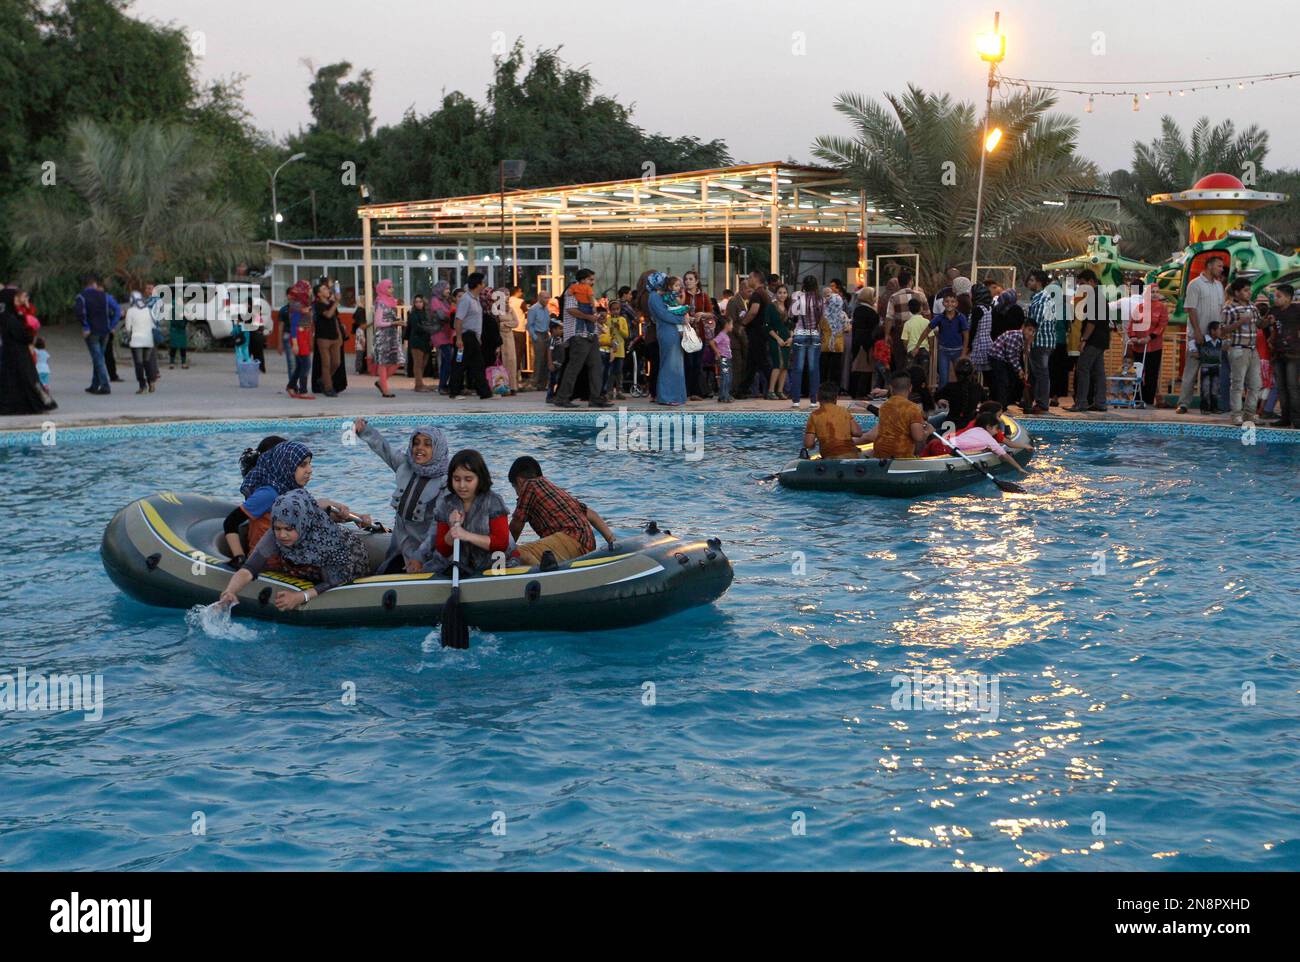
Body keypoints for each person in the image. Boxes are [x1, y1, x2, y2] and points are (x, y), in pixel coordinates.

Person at [218, 489, 373, 613]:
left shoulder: (326, 540)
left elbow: (335, 580)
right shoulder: (275, 534)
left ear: (301, 525)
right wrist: (230, 591)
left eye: (289, 529)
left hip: (346, 562)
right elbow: (249, 568)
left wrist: (300, 596)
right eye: (278, 528)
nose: (282, 535)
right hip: (307, 564)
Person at [221, 439, 361, 564]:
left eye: (309, 464)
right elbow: (231, 522)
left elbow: (317, 514)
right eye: (302, 464)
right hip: (269, 562)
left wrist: (356, 518)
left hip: (288, 556)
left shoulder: (292, 490)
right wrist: (239, 558)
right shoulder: (268, 494)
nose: (310, 470)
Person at [354, 418, 449, 573]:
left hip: (428, 553)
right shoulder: (405, 465)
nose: (419, 448)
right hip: (400, 547)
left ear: (438, 448)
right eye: (416, 442)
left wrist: (420, 556)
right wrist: (365, 430)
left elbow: (437, 527)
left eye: (427, 444)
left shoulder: (445, 482)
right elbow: (384, 449)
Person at [507, 456, 615, 566]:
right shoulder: (554, 490)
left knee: (516, 554)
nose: (517, 494)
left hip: (569, 539)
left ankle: (547, 579)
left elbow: (516, 527)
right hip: (587, 544)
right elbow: (592, 515)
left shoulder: (529, 486)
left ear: (519, 481)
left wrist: (502, 550)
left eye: (514, 488)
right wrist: (612, 541)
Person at [418, 449, 511, 575]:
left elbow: (501, 544)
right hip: (461, 567)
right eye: (456, 479)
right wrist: (452, 530)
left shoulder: (493, 501)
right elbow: (443, 550)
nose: (462, 485)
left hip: (496, 565)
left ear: (480, 478)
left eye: (468, 479)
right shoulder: (446, 504)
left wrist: (466, 535)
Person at [1176, 256, 1227, 413]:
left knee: (1213, 372)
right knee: (1191, 370)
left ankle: (1211, 405)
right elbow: (1191, 309)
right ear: (1209, 266)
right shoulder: (1195, 284)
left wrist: (1220, 333)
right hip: (1197, 336)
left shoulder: (1219, 286)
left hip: (1214, 338)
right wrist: (1198, 332)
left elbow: (1221, 310)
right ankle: (1183, 403)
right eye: (1219, 266)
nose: (1222, 269)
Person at [554, 269, 611, 409]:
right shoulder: (572, 291)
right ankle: (562, 398)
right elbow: (570, 310)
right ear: (583, 280)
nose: (593, 282)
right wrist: (589, 317)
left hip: (591, 334)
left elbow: (592, 312)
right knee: (574, 367)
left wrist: (598, 318)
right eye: (590, 279)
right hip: (578, 334)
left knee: (596, 367)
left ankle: (595, 398)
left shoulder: (588, 293)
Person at [0, 289, 57, 414]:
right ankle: (39, 403)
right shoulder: (9, 318)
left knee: (17, 380)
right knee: (29, 379)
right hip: (17, 353)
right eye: (15, 299)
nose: (17, 301)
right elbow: (21, 335)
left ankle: (23, 405)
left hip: (14, 353)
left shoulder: (11, 315)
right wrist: (33, 340)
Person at [922, 409, 1030, 474]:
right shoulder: (989, 439)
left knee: (920, 460)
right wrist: (1019, 468)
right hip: (946, 449)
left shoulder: (974, 429)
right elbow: (1005, 456)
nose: (997, 431)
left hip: (936, 442)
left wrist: (984, 449)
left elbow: (968, 443)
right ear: (988, 427)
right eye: (996, 429)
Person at [1065, 270, 1110, 413]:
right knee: (1098, 371)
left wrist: (1084, 339)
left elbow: (1092, 322)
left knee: (1082, 368)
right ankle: (1100, 402)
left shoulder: (1094, 298)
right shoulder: (1099, 296)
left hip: (1094, 340)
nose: (1080, 288)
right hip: (1101, 340)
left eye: (1082, 284)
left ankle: (1081, 403)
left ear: (1092, 282)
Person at [859, 372, 933, 459]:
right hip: (902, 456)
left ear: (890, 388)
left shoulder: (884, 406)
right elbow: (918, 437)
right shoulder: (913, 409)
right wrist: (928, 431)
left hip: (880, 455)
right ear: (910, 388)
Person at [1220, 277, 1263, 425]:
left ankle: (1249, 414)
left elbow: (1258, 324)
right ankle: (1236, 415)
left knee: (1255, 384)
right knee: (1237, 384)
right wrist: (1240, 322)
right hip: (1238, 349)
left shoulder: (1253, 307)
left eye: (1249, 290)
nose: (1249, 292)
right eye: (1245, 290)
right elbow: (1222, 330)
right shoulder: (1229, 307)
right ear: (1237, 292)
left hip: (1252, 350)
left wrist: (1266, 321)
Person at [642, 272, 688, 406]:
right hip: (667, 331)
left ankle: (675, 395)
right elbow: (663, 315)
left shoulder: (658, 296)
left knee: (675, 363)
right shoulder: (654, 297)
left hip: (670, 331)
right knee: (670, 364)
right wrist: (681, 319)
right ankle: (667, 396)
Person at [1126, 288, 1169, 407]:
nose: (1155, 294)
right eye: (1152, 292)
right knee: (1137, 372)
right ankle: (1136, 398)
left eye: (1157, 292)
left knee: (1152, 373)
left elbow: (1162, 326)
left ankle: (1148, 400)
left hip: (1154, 346)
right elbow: (1131, 325)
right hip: (1138, 346)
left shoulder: (1162, 307)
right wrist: (1133, 336)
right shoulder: (1139, 307)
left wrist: (1149, 338)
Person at [75, 274, 116, 394]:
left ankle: (105, 385)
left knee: (98, 358)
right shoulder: (105, 296)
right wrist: (112, 325)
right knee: (99, 357)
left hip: (92, 331)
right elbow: (117, 310)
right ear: (94, 284)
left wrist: (85, 326)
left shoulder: (81, 297)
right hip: (105, 331)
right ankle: (95, 384)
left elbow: (79, 312)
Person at [803, 381, 867, 458]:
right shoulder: (844, 411)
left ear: (817, 397)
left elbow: (809, 444)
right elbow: (858, 433)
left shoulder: (815, 415)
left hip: (830, 458)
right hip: (852, 455)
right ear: (836, 398)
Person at [1025, 269, 1058, 413]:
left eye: (1031, 280)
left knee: (1041, 374)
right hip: (1046, 341)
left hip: (1040, 342)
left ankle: (1042, 403)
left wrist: (1027, 343)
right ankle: (1031, 400)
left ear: (1038, 282)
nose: (1029, 283)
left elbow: (1034, 325)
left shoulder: (1040, 300)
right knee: (1038, 373)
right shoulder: (1044, 298)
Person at [788, 276, 823, 409]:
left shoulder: (797, 297)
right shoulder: (819, 299)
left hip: (800, 333)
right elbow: (822, 317)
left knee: (798, 368)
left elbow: (791, 314)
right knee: (814, 369)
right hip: (814, 333)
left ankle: (796, 401)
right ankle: (813, 401)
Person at [1267, 284, 1299, 427]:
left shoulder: (1296, 310)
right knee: (1281, 388)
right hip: (1277, 354)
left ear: (1288, 298)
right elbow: (1260, 325)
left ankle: (1297, 420)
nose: (1275, 298)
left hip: (1294, 354)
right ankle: (1285, 418)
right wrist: (1268, 321)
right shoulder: (1273, 310)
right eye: (1275, 295)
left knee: (1292, 387)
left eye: (1278, 296)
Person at [988, 318, 1036, 409]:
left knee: (1010, 380)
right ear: (1023, 327)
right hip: (997, 357)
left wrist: (1028, 343)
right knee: (1003, 381)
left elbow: (1021, 354)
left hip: (1004, 358)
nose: (1030, 333)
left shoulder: (1024, 338)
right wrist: (1019, 370)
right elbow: (1011, 355)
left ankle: (1005, 402)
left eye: (1033, 331)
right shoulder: (1016, 336)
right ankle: (1001, 406)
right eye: (1029, 330)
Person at [740, 269, 773, 398]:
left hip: (757, 332)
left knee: (763, 362)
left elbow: (754, 311)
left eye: (750, 277)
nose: (748, 280)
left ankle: (774, 388)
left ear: (756, 279)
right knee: (752, 364)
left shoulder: (757, 294)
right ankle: (742, 389)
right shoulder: (764, 293)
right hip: (761, 332)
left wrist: (743, 324)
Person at [371, 279, 404, 398]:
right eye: (389, 287)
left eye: (391, 287)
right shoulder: (380, 303)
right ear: (383, 289)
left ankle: (381, 382)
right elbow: (378, 323)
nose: (392, 289)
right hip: (383, 337)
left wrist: (398, 323)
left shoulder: (391, 302)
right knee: (383, 364)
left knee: (398, 361)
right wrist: (393, 323)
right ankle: (385, 390)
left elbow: (391, 319)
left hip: (393, 335)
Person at [929, 291, 969, 390]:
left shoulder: (961, 318)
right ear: (943, 303)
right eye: (947, 301)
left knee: (961, 376)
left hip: (958, 351)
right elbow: (927, 329)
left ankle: (961, 398)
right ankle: (942, 399)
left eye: (952, 301)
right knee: (943, 378)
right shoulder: (940, 318)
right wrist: (918, 345)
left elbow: (966, 335)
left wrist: (964, 353)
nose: (949, 304)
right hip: (944, 351)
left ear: (956, 303)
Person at [681, 270, 711, 400]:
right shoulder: (682, 295)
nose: (688, 281)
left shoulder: (703, 296)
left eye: (691, 279)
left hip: (700, 334)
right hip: (686, 333)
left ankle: (696, 392)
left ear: (697, 281)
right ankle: (687, 391)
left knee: (698, 364)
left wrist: (702, 314)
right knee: (688, 363)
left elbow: (711, 313)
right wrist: (686, 316)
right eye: (686, 279)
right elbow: (677, 309)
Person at [311, 281, 345, 397]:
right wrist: (337, 302)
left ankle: (323, 379)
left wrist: (340, 335)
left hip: (334, 336)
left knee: (336, 362)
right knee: (326, 363)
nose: (327, 290)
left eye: (327, 288)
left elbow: (334, 319)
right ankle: (328, 388)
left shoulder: (331, 303)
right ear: (319, 294)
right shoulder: (318, 305)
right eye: (324, 289)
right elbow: (328, 315)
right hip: (323, 337)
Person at [122, 291, 159, 394]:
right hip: (148, 340)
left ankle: (142, 386)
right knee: (148, 362)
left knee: (139, 363)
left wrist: (128, 339)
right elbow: (153, 326)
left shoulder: (130, 311)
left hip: (136, 341)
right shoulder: (148, 310)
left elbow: (128, 328)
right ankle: (151, 382)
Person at [934, 356, 988, 427]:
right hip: (970, 425)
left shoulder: (950, 387)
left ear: (956, 372)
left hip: (951, 424)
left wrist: (939, 400)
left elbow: (936, 396)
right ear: (972, 372)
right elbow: (986, 402)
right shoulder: (978, 387)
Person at [278, 280, 311, 383]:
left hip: (301, 336)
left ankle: (293, 386)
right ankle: (295, 386)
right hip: (292, 336)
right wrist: (280, 343)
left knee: (301, 364)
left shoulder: (304, 305)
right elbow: (283, 327)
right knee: (295, 363)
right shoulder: (290, 308)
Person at [427, 282, 455, 394]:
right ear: (440, 289)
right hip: (440, 335)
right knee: (448, 360)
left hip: (447, 334)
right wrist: (454, 316)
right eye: (446, 289)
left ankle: (443, 385)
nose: (448, 291)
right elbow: (441, 316)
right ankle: (443, 385)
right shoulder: (435, 300)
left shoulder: (445, 301)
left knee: (446, 361)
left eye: (449, 288)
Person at [765, 283, 791, 400]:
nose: (782, 295)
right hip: (775, 339)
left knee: (785, 366)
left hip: (787, 340)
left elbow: (791, 325)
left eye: (784, 293)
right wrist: (778, 338)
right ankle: (770, 391)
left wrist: (791, 337)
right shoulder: (771, 307)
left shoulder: (788, 307)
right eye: (780, 292)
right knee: (777, 364)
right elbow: (767, 326)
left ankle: (780, 391)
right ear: (776, 294)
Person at [967, 282, 995, 383]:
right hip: (987, 343)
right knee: (988, 374)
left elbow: (973, 329)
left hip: (978, 344)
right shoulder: (989, 308)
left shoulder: (977, 309)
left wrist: (968, 346)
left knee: (970, 372)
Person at [406, 294, 434, 393]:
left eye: (420, 301)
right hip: (417, 341)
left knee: (424, 363)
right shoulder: (413, 314)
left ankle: (420, 383)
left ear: (424, 302)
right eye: (416, 302)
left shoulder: (427, 314)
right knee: (418, 364)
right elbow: (416, 327)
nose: (418, 304)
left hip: (426, 341)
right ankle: (418, 385)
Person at [526, 290, 552, 392]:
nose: (547, 300)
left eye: (548, 297)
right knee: (539, 359)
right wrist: (534, 336)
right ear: (539, 298)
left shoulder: (546, 308)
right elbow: (529, 325)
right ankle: (535, 382)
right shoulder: (533, 309)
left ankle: (543, 383)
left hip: (546, 334)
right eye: (545, 298)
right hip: (538, 334)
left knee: (546, 359)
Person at [901, 297, 934, 370]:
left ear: (909, 310)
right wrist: (931, 349)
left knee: (912, 373)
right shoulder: (927, 322)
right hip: (924, 350)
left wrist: (907, 350)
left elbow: (905, 341)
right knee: (924, 373)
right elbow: (931, 337)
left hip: (912, 350)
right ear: (921, 308)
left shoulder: (907, 323)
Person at [712, 314, 734, 403]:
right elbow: (712, 342)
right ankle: (725, 396)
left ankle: (723, 395)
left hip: (727, 358)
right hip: (724, 358)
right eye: (731, 324)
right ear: (726, 325)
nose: (732, 326)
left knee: (728, 376)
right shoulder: (721, 335)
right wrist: (717, 352)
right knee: (726, 377)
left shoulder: (725, 335)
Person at [545, 320, 565, 403]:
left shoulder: (559, 339)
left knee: (558, 380)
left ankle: (556, 396)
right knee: (553, 381)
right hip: (555, 363)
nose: (561, 331)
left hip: (560, 363)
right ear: (553, 330)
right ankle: (550, 397)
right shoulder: (552, 339)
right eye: (559, 329)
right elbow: (549, 351)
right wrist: (550, 363)